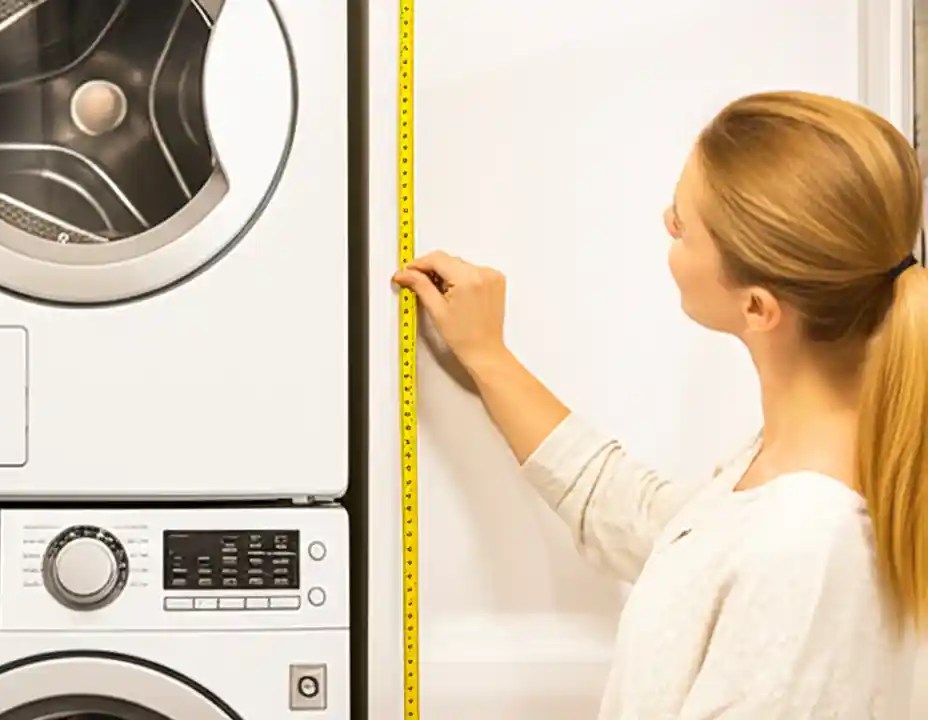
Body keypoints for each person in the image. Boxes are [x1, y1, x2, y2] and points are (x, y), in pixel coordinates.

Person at [393, 90, 927, 719]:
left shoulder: (809, 546)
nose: (665, 224)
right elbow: (653, 523)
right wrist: (487, 355)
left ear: (757, 307)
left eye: (683, 223)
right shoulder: (787, 468)